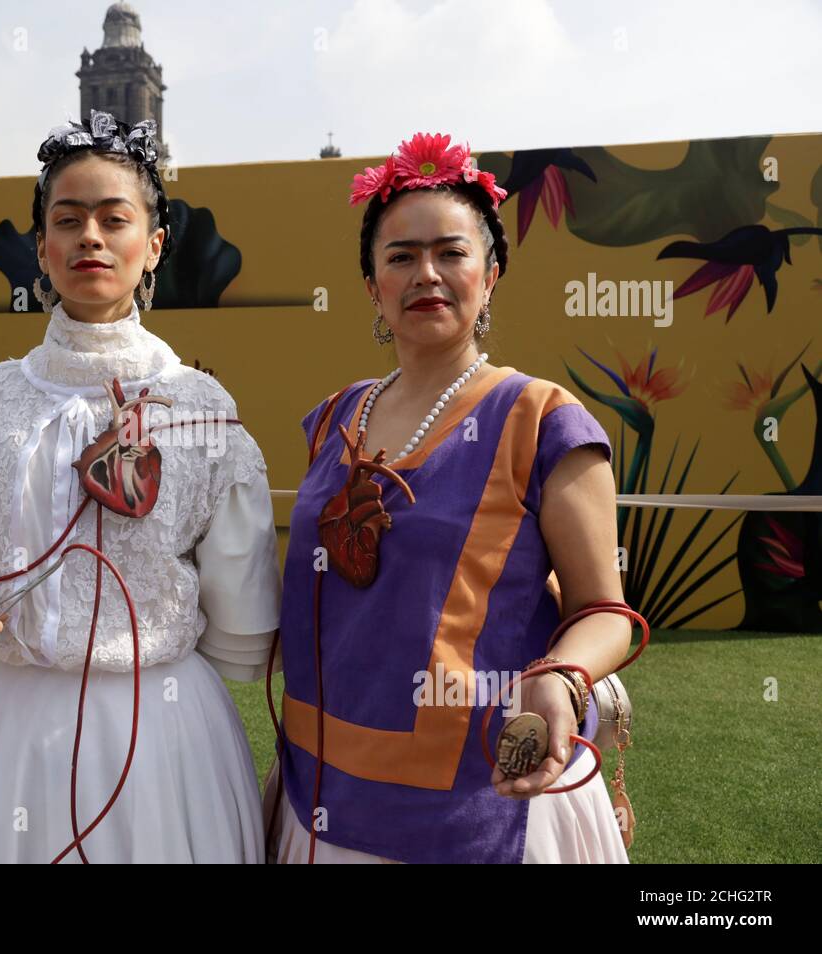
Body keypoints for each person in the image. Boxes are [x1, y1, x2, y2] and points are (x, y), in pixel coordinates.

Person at [0, 110, 281, 863]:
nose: (90, 238)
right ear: (41, 249)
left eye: (115, 220)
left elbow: (240, 613)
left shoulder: (203, 408)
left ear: (153, 247)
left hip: (164, 729)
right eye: (67, 219)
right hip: (2, 728)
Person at [265, 132, 634, 863]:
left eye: (450, 252)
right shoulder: (334, 417)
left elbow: (604, 613)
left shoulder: (543, 420)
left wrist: (561, 677)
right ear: (372, 285)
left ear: (490, 274)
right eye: (400, 257)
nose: (425, 273)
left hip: (486, 795)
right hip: (323, 795)